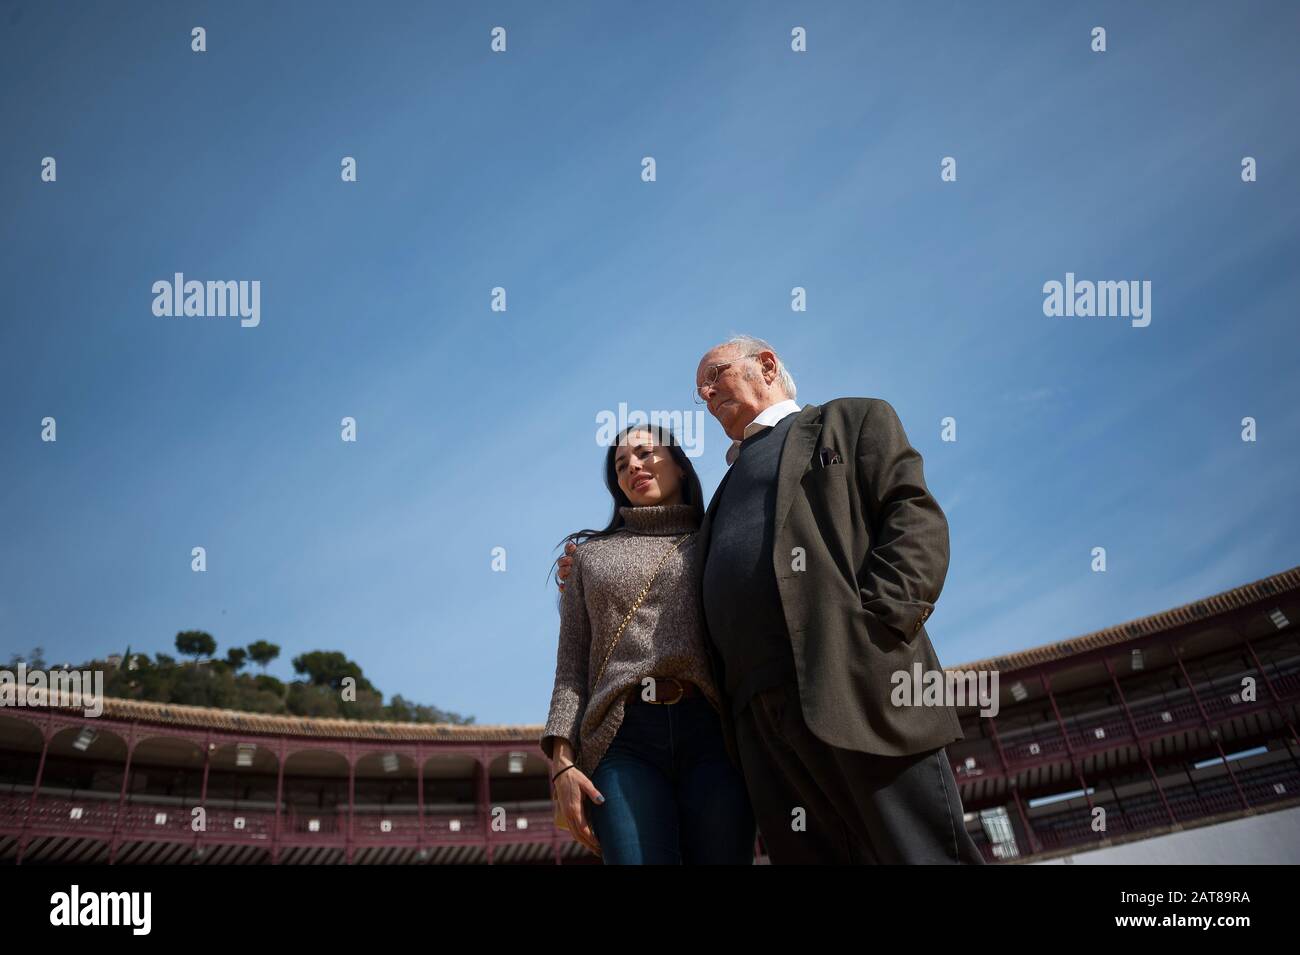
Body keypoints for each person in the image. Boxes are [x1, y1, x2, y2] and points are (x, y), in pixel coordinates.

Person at [559, 335, 985, 864]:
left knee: (919, 853)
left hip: (857, 683)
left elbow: (912, 517)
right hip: (760, 728)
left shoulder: (848, 420)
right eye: (700, 391)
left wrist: (877, 631)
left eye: (716, 375)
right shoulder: (719, 498)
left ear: (766, 364)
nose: (708, 394)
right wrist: (591, 568)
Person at [540, 422, 757, 864]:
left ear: (678, 463)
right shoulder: (590, 557)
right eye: (621, 465)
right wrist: (562, 763)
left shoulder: (718, 541)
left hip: (714, 734)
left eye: (644, 453)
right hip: (622, 738)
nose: (633, 467)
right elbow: (571, 668)